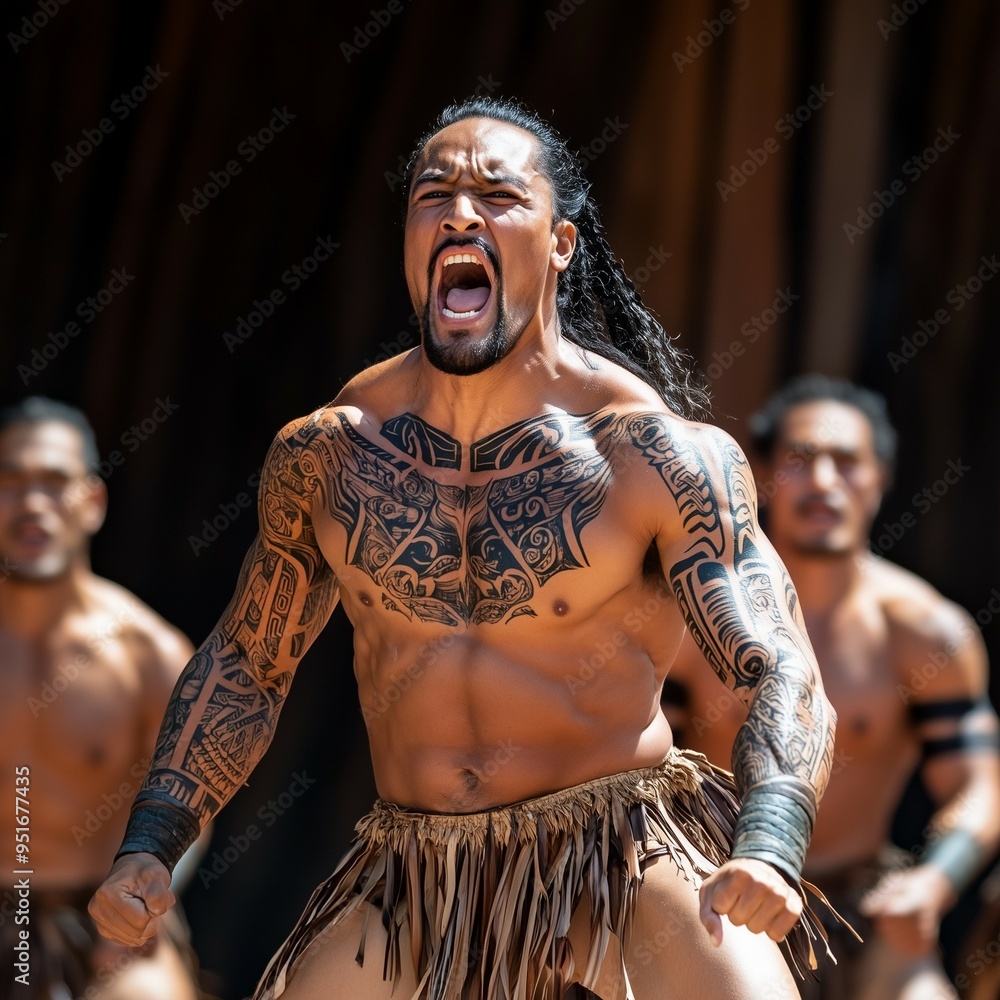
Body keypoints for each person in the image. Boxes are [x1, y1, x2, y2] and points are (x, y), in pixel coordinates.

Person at [90, 97, 839, 1000]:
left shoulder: (650, 455)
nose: (460, 212)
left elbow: (780, 670)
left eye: (498, 194)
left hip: (621, 856)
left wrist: (768, 843)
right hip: (417, 869)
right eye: (432, 192)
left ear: (561, 244)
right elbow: (250, 663)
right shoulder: (329, 454)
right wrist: (152, 840)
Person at [662, 375, 1000, 1000]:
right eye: (799, 460)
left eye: (846, 462)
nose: (822, 482)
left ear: (880, 477)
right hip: (714, 893)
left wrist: (933, 883)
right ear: (760, 476)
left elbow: (981, 786)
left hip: (862, 910)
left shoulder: (925, 633)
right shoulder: (691, 623)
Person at [0, 396, 204, 999]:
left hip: (99, 923)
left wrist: (140, 895)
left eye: (54, 482)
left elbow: (194, 806)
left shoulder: (149, 655)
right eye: (11, 481)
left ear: (92, 502)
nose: (33, 503)